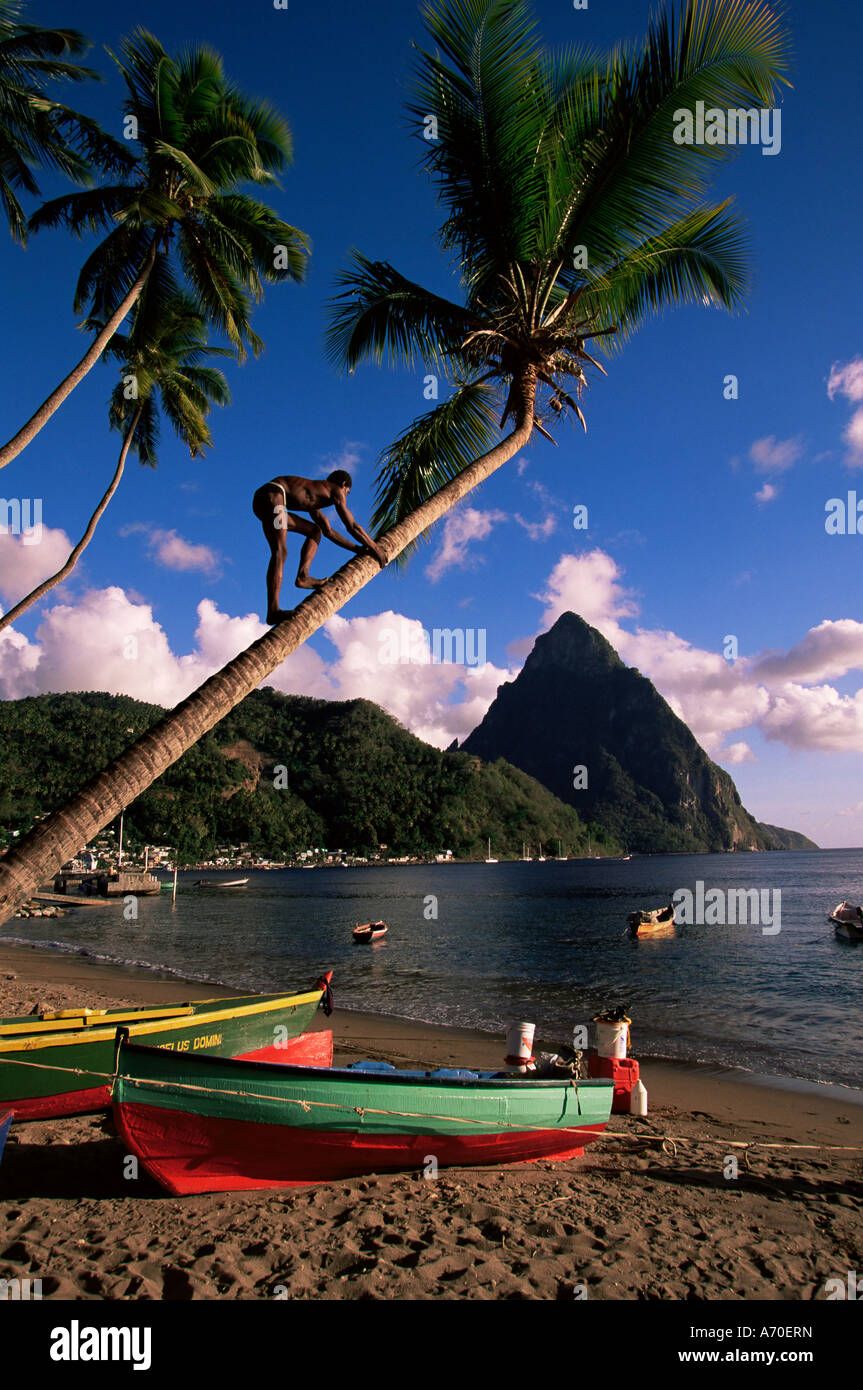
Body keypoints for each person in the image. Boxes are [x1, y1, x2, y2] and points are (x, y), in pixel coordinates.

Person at [252, 470, 387, 623]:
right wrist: (376, 548)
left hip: (267, 502)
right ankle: (273, 610)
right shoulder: (336, 490)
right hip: (273, 494)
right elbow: (352, 526)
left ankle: (303, 576)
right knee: (280, 551)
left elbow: (328, 532)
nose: (345, 497)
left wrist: (357, 549)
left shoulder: (313, 498)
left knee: (315, 531)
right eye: (347, 493)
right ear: (343, 485)